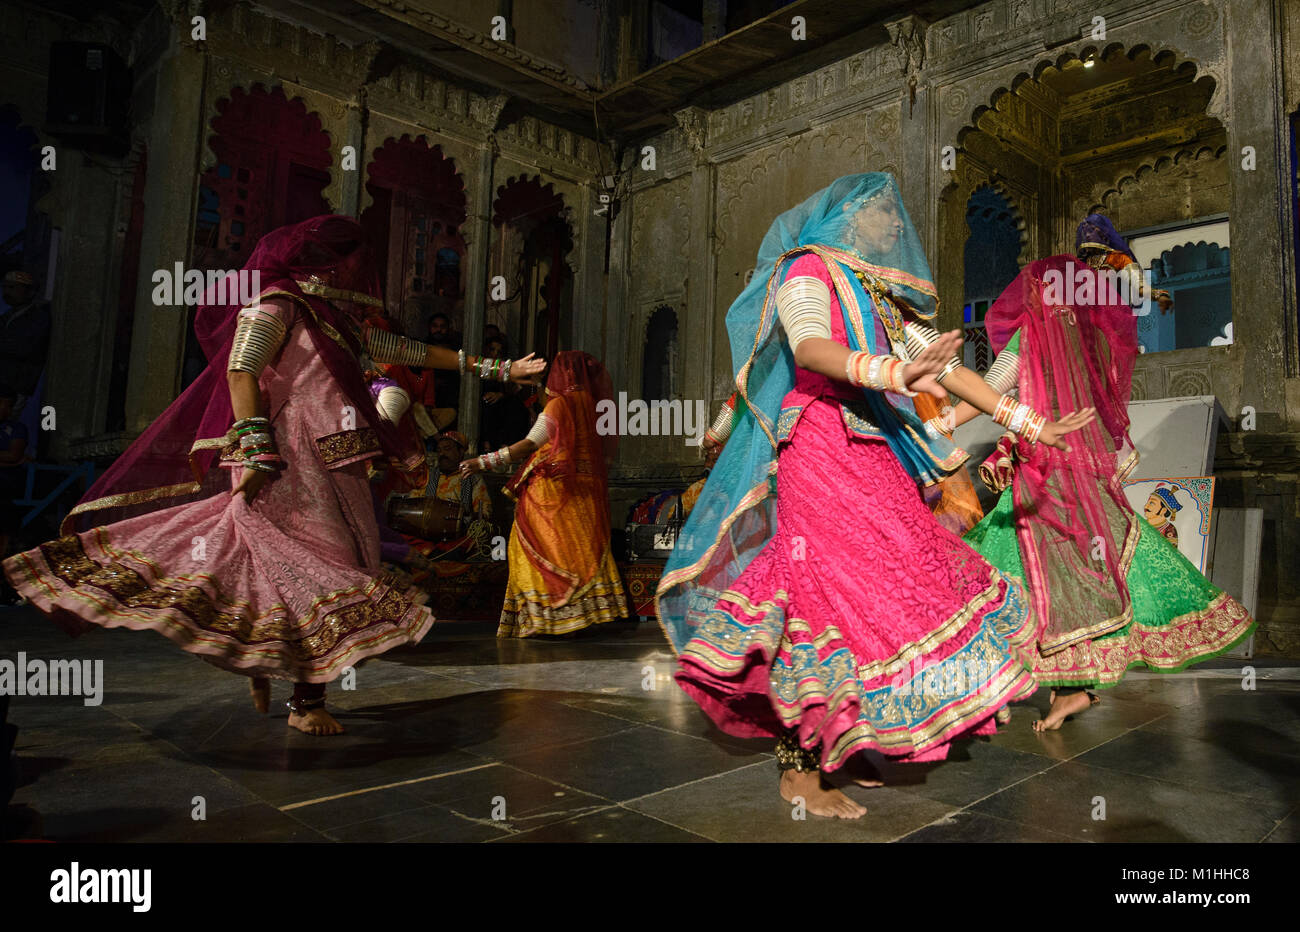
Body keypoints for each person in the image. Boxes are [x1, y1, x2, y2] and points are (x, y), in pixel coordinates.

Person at [656, 174, 1092, 819]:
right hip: (819, 444)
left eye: (897, 212)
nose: (897, 225)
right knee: (822, 592)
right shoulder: (804, 270)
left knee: (892, 583)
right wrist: (890, 372)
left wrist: (1028, 422)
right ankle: (798, 770)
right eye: (885, 211)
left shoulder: (877, 296)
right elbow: (811, 348)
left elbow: (948, 370)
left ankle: (848, 742)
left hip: (874, 449)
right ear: (848, 219)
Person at [3, 215, 544, 736]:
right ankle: (305, 701)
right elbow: (242, 371)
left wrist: (499, 369)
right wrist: (259, 450)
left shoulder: (337, 323)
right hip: (288, 459)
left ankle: (262, 662)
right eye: (350, 263)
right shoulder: (276, 305)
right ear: (324, 264)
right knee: (312, 569)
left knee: (338, 565)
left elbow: (410, 351)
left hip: (342, 460)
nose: (357, 275)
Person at [953, 244, 1255, 731]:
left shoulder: (1031, 338)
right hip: (1088, 472)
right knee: (1090, 569)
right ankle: (1069, 688)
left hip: (1043, 474)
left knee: (1001, 570)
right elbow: (1106, 405)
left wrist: (942, 421)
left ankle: (1003, 683)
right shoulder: (1092, 341)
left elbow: (994, 388)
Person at [462, 351, 629, 638]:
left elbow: (530, 444)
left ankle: (548, 620)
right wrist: (539, 386)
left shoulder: (559, 405)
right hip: (584, 492)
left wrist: (483, 462)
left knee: (531, 548)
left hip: (552, 491)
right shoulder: (590, 405)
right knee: (578, 551)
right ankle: (585, 615)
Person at [397, 430, 494, 561]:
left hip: (455, 536)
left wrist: (468, 519)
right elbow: (412, 504)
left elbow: (484, 512)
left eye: (447, 449)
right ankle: (434, 553)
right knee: (398, 532)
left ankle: (435, 554)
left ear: (461, 452)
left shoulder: (473, 478)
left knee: (478, 537)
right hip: (425, 536)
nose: (442, 454)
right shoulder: (427, 476)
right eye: (439, 450)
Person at [0, 270, 51, 416]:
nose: (7, 291)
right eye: (5, 287)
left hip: (14, 386)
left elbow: (25, 348)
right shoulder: (6, 317)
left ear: (30, 292)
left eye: (13, 288)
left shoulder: (38, 317)